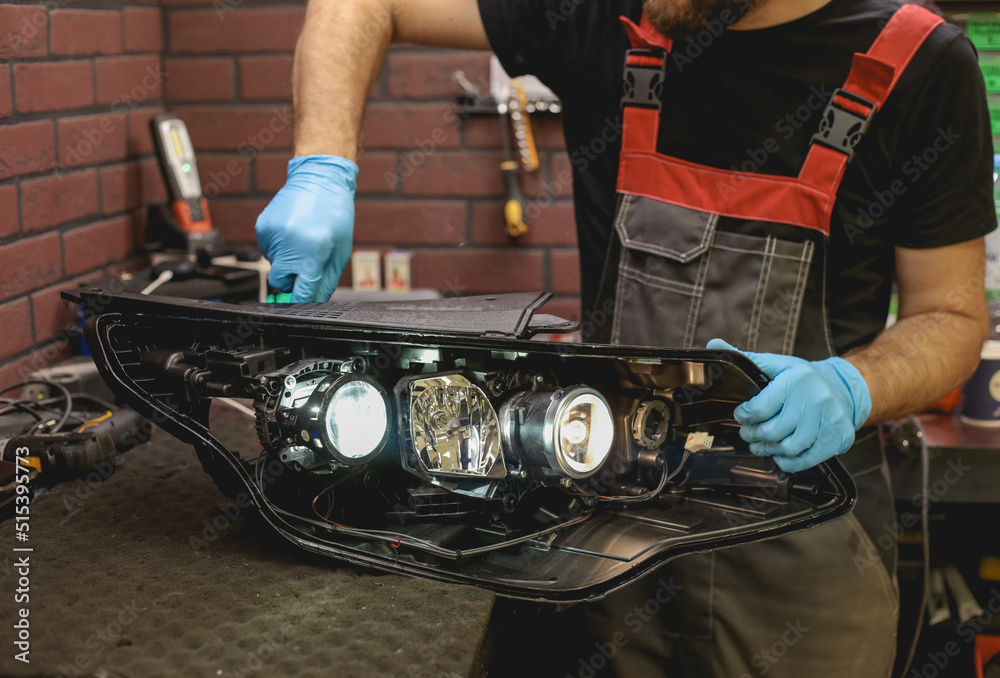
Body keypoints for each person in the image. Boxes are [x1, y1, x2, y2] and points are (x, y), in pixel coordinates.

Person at [254, 0, 994, 675]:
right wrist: (322, 170)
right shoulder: (608, 16)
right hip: (607, 549)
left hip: (803, 565)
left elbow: (952, 318)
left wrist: (854, 386)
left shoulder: (918, 64)